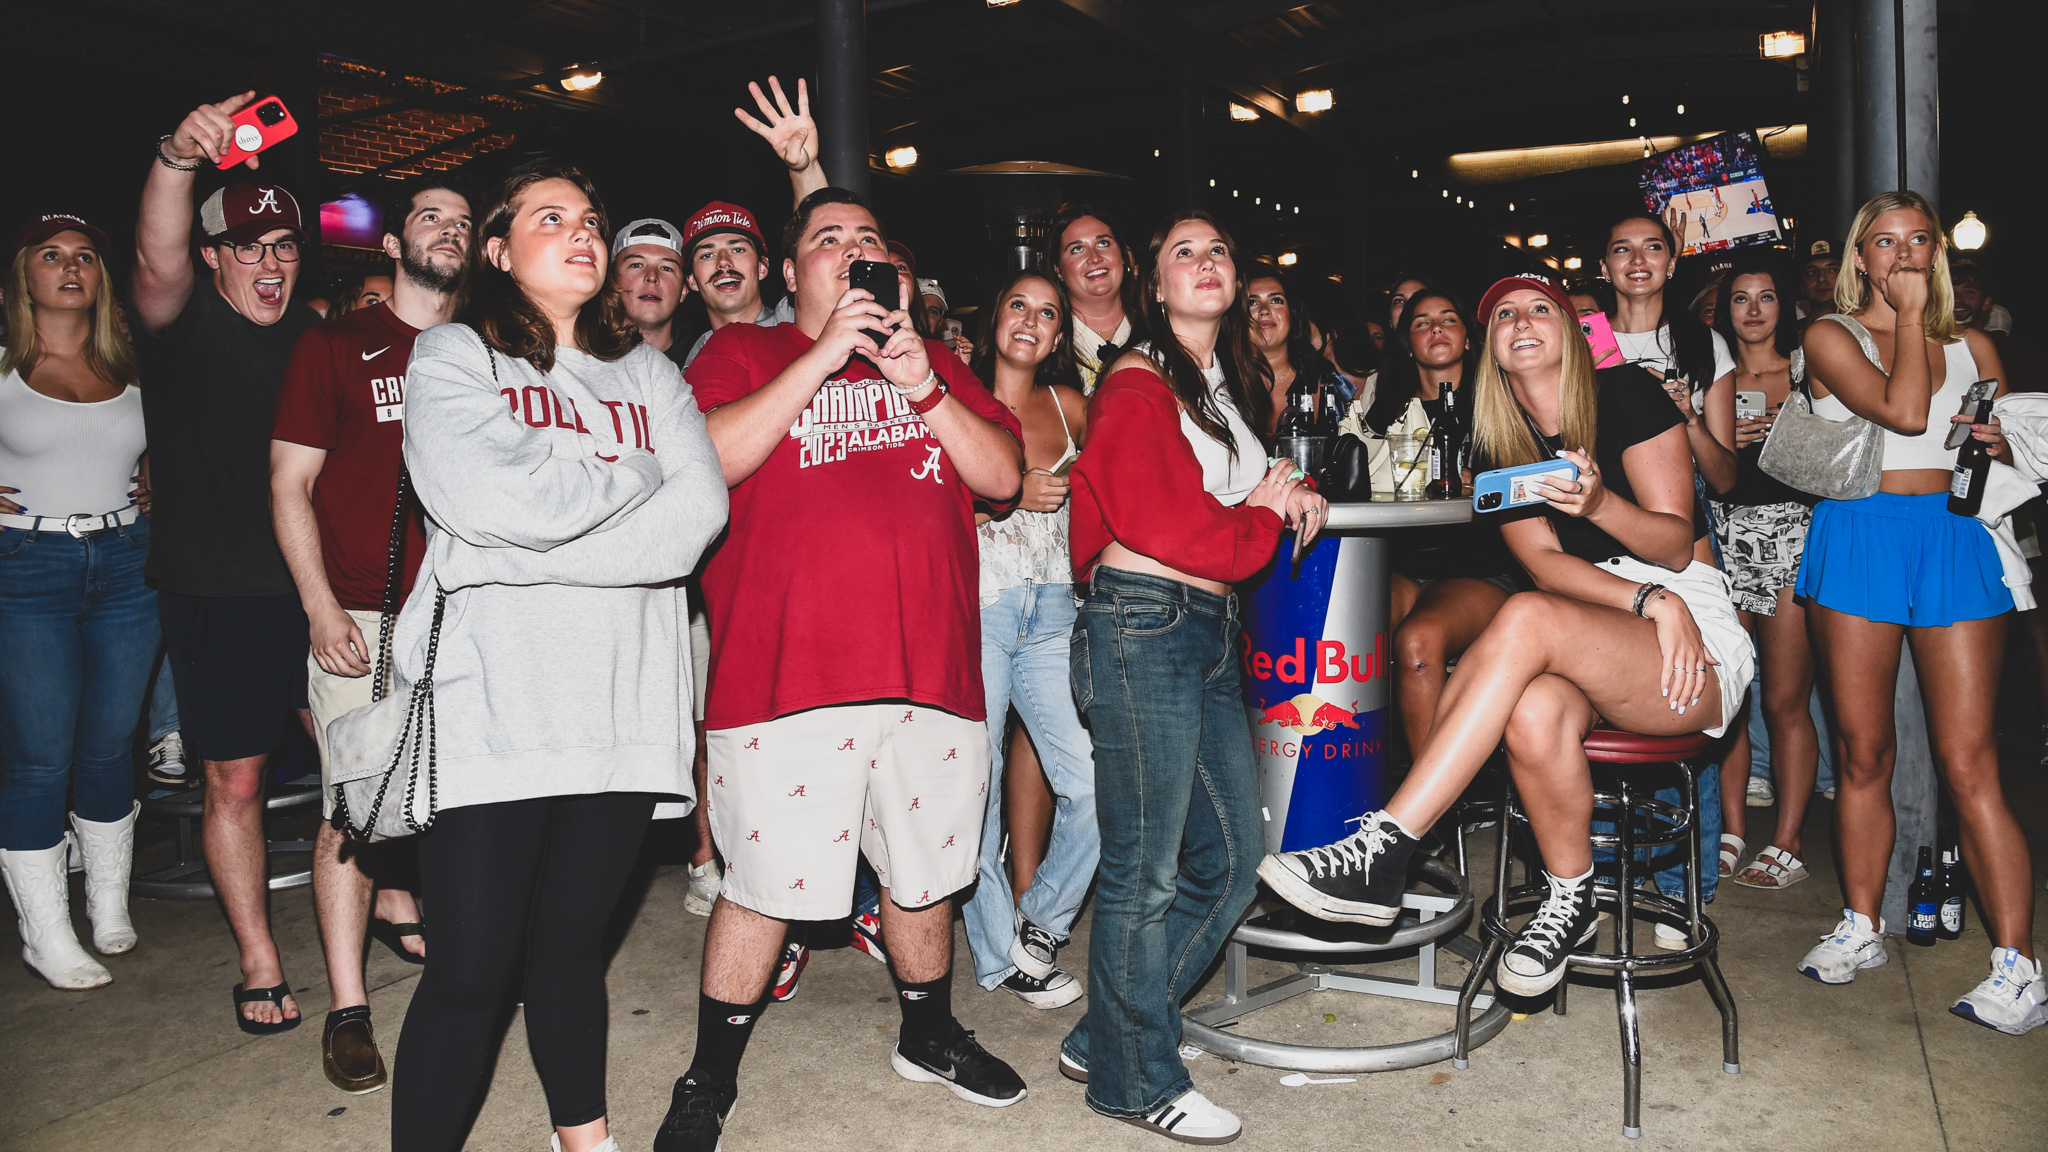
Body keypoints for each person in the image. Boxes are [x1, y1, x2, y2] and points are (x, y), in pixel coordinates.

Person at [1260, 273, 1752, 1002]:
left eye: (1540, 309)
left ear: (1571, 329)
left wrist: (1612, 522)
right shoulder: (1499, 445)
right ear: (1491, 345)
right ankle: (1569, 897)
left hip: (1688, 633)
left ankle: (1385, 846)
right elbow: (1547, 566)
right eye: (1505, 316)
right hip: (1601, 620)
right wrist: (1639, 598)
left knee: (1521, 618)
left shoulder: (1628, 395)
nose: (1522, 322)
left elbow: (1677, 544)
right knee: (1530, 705)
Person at [655, 187, 1025, 1151]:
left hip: (930, 676)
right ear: (791, 273)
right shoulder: (743, 354)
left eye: (870, 239)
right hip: (784, 683)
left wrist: (922, 385)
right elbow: (706, 460)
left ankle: (929, 1034)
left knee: (926, 878)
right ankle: (709, 1075)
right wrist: (825, 356)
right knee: (762, 886)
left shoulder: (933, 362)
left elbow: (1001, 477)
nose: (854, 250)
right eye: (829, 239)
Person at [387, 160, 727, 1152]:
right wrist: (631, 474)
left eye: (590, 219)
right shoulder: (454, 357)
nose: (583, 233)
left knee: (573, 950)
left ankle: (585, 1140)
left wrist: (541, 535)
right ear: (496, 249)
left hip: (621, 712)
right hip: (493, 705)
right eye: (550, 219)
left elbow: (696, 518)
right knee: (471, 968)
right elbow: (487, 503)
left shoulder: (653, 374)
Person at [1059, 210, 1325, 1145]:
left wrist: (1281, 483)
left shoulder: (1213, 384)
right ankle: (1134, 1082)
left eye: (1220, 250)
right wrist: (1260, 516)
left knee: (1228, 864)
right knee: (1144, 874)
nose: (1207, 263)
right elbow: (1166, 521)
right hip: (1145, 622)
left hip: (1204, 629)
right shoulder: (1135, 379)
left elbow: (1233, 496)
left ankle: (1109, 1035)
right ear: (1153, 282)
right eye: (1184, 252)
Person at [1793, 191, 2042, 1036]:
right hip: (1860, 533)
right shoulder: (1830, 336)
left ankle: (2019, 968)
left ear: (1936, 253)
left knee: (1970, 761)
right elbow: (1902, 411)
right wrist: (1903, 319)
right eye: (1885, 243)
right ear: (1860, 256)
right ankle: (1861, 924)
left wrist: (2000, 441)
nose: (1902, 256)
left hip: (1951, 537)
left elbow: (1978, 439)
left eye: (1918, 242)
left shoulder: (1975, 344)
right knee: (1863, 751)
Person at [269, 176, 470, 1094]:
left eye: (465, 222)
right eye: (431, 216)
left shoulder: (489, 353)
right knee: (350, 813)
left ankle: (469, 976)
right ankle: (350, 1010)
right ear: (394, 246)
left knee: (468, 806)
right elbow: (289, 485)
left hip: (471, 616)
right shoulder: (336, 345)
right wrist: (316, 607)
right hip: (360, 614)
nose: (449, 230)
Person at [131, 93, 322, 1033]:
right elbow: (152, 261)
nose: (269, 263)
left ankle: (395, 901)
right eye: (246, 246)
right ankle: (258, 957)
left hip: (319, 588)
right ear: (211, 259)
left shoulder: (313, 336)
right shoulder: (180, 327)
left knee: (361, 765)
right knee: (235, 782)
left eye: (283, 245)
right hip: (218, 589)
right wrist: (177, 155)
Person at [0, 213, 151, 991]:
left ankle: (108, 904)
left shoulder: (130, 367)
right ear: (24, 276)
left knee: (107, 744)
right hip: (27, 564)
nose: (69, 268)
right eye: (51, 256)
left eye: (85, 257)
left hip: (126, 559)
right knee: (37, 758)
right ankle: (44, 931)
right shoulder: (2, 368)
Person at [960, 270, 1095, 1010]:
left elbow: (1113, 494)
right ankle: (994, 957)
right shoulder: (953, 396)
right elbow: (922, 512)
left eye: (1048, 313)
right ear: (996, 317)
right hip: (978, 608)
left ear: (1057, 334)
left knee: (1098, 787)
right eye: (1019, 305)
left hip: (1054, 615)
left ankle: (1039, 924)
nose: (1032, 322)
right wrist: (1002, 501)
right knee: (972, 796)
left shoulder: (1071, 407)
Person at [1705, 253, 1823, 894]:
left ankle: (1788, 837)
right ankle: (1727, 828)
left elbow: (1852, 450)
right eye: (1741, 298)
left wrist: (1786, 435)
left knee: (1783, 698)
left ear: (1786, 306)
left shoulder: (1811, 372)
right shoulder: (1710, 373)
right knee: (1725, 691)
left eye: (1767, 297)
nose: (1753, 310)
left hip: (1789, 534)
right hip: (1721, 531)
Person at [1363, 288, 1520, 754]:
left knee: (1417, 642)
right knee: (1346, 627)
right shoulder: (1382, 415)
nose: (1435, 328)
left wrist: (1488, 480)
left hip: (1482, 568)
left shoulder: (1505, 401)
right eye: (1421, 322)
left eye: (1448, 318)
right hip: (1404, 565)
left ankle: (1430, 812)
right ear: (1406, 343)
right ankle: (1345, 786)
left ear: (1469, 338)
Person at [1043, 203, 1144, 394]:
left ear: (1123, 255)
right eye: (1077, 249)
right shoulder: (1045, 338)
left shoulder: (1158, 324)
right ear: (1058, 270)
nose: (1095, 257)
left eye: (1103, 243)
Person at [1247, 263, 1347, 433]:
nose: (1264, 310)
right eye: (1252, 302)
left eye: (1276, 300)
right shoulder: (1221, 383)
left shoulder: (1328, 383)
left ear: (1293, 314)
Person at [1797, 238, 1840, 323]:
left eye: (1832, 270)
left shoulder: (1867, 326)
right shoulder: (1792, 333)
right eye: (1811, 273)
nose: (1821, 278)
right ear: (1801, 286)